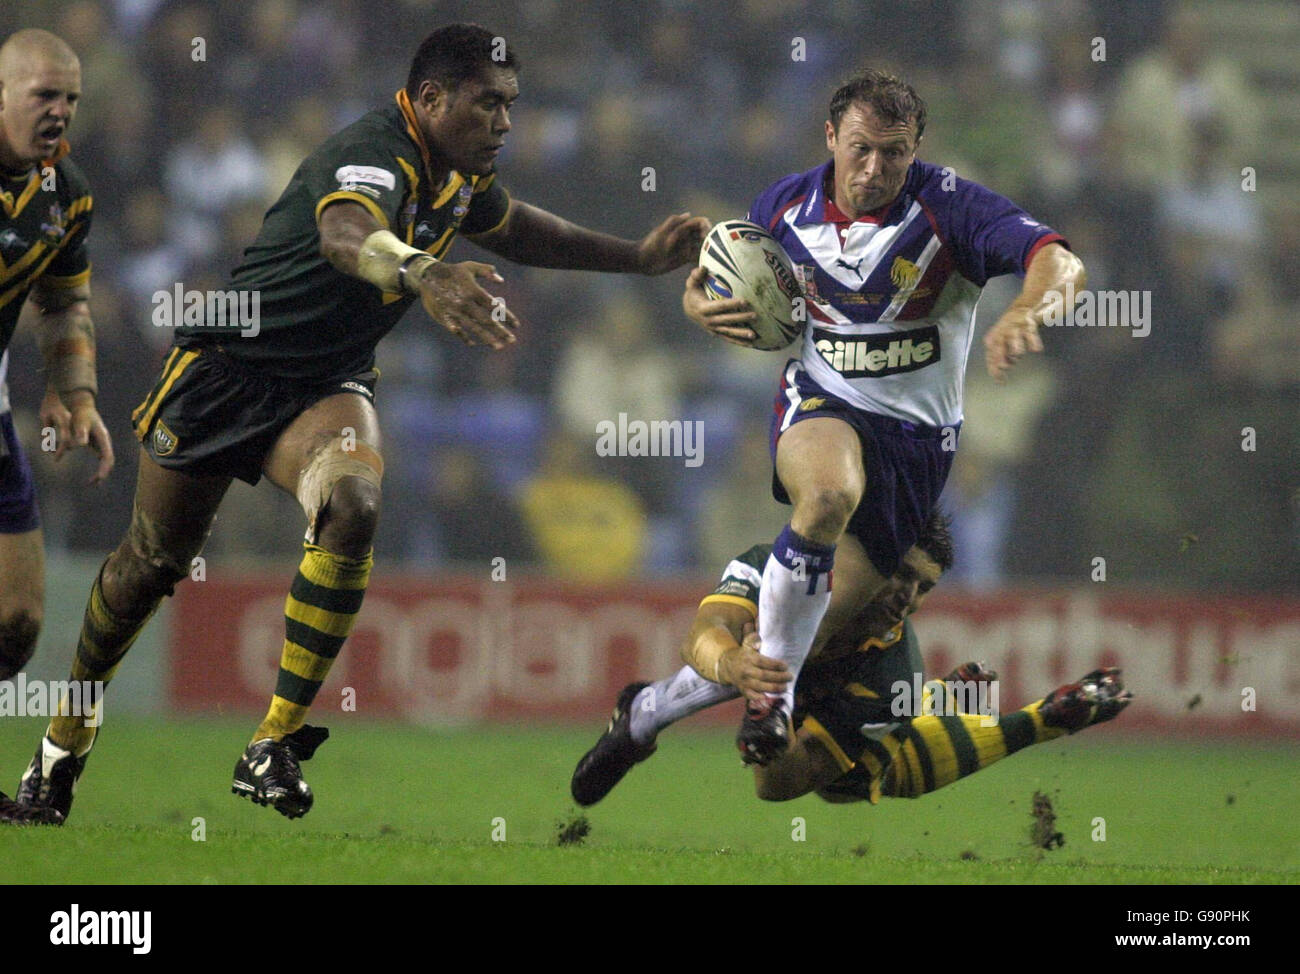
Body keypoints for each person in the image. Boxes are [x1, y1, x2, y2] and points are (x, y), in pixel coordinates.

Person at [5, 23, 708, 825]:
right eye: (488, 104)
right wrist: (425, 271)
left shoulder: (461, 175)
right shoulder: (378, 151)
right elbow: (345, 235)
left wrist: (638, 258)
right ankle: (62, 746)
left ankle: (274, 738)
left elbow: (520, 230)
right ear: (432, 99)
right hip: (225, 374)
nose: (505, 121)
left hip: (325, 384)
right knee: (150, 567)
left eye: (512, 104)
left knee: (354, 507)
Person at [680, 69, 1087, 763]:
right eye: (861, 149)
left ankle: (651, 709)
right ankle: (770, 706)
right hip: (822, 403)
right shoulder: (781, 205)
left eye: (894, 153)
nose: (875, 169)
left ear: (917, 147)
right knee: (828, 493)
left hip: (914, 442)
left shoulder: (951, 209)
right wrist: (698, 306)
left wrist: (1027, 308)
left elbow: (1060, 261)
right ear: (831, 136)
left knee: (823, 627)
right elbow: (735, 289)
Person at [570, 512, 1132, 807]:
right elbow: (705, 633)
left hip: (835, 715)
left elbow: (779, 788)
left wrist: (775, 733)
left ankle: (1027, 720)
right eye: (901, 574)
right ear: (867, 557)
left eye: (924, 588)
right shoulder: (777, 569)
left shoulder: (890, 671)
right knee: (758, 643)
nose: (908, 597)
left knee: (861, 778)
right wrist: (741, 671)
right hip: (774, 667)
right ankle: (643, 711)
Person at [0, 30, 113, 824]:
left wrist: (73, 391)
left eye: (70, 98)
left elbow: (64, 301)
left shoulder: (63, 192)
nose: (60, 112)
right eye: (44, 95)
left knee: (18, 620)